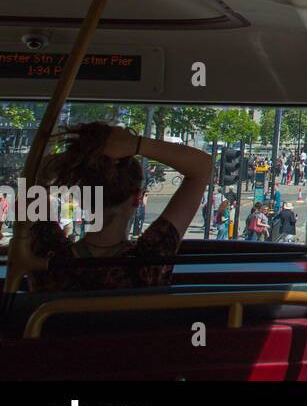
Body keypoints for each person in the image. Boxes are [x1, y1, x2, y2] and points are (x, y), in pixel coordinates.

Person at [28, 122, 210, 291]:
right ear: (138, 199)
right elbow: (203, 167)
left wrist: (82, 155)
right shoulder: (149, 263)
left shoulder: (47, 257)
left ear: (81, 198)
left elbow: (34, 177)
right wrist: (135, 144)